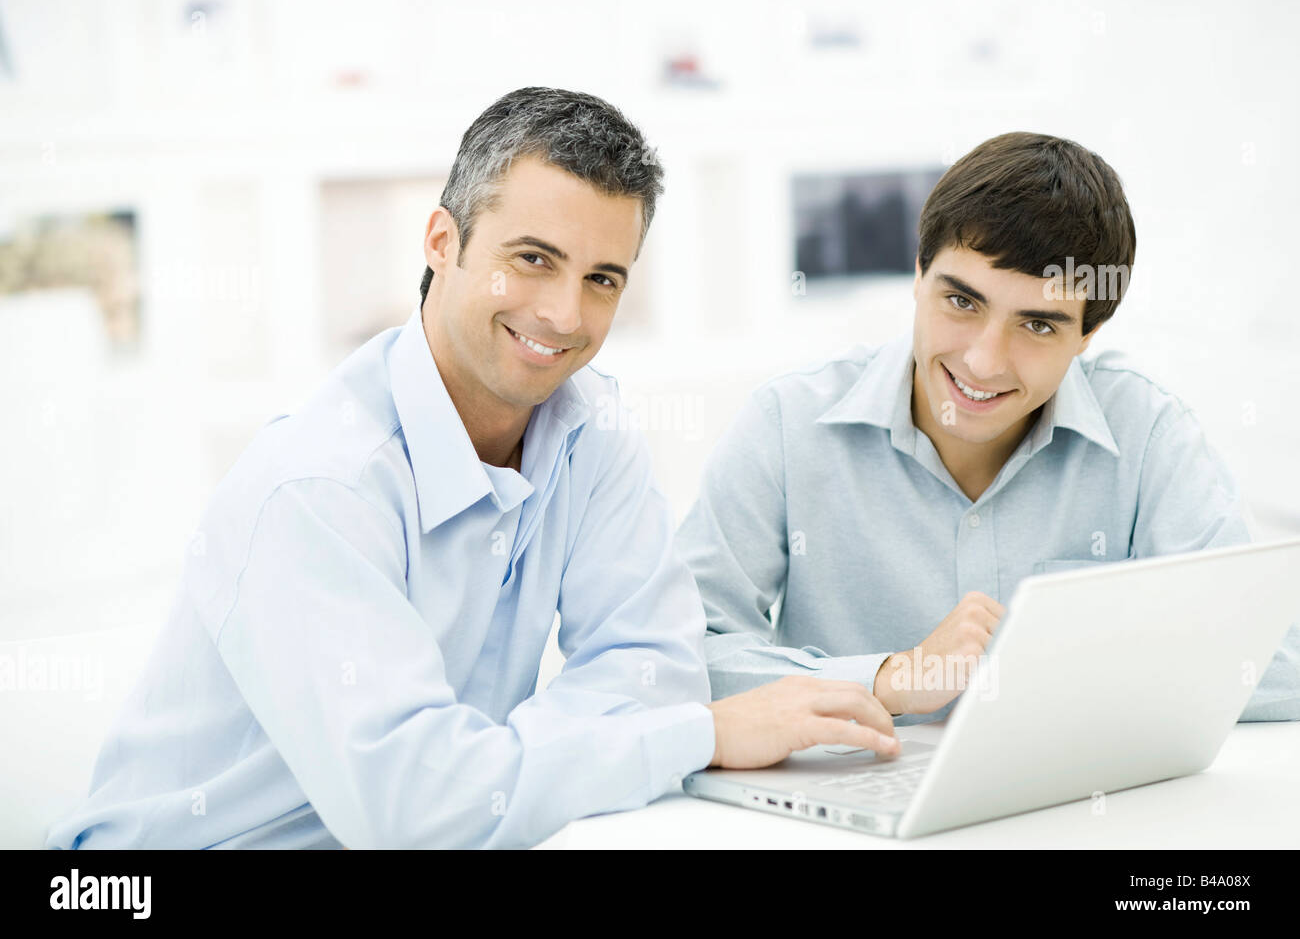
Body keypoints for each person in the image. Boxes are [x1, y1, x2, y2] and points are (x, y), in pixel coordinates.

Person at [45, 87, 897, 851]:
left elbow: (649, 674)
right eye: (532, 259)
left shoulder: (591, 429)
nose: (565, 314)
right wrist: (694, 736)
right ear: (442, 241)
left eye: (603, 278)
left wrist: (493, 772)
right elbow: (412, 811)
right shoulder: (320, 486)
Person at [676, 131, 1300, 724]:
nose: (983, 361)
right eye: (962, 302)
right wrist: (890, 679)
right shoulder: (788, 426)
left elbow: (1276, 663)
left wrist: (1050, 669)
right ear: (918, 274)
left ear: (1087, 336)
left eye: (1038, 325)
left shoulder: (1148, 435)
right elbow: (680, 655)